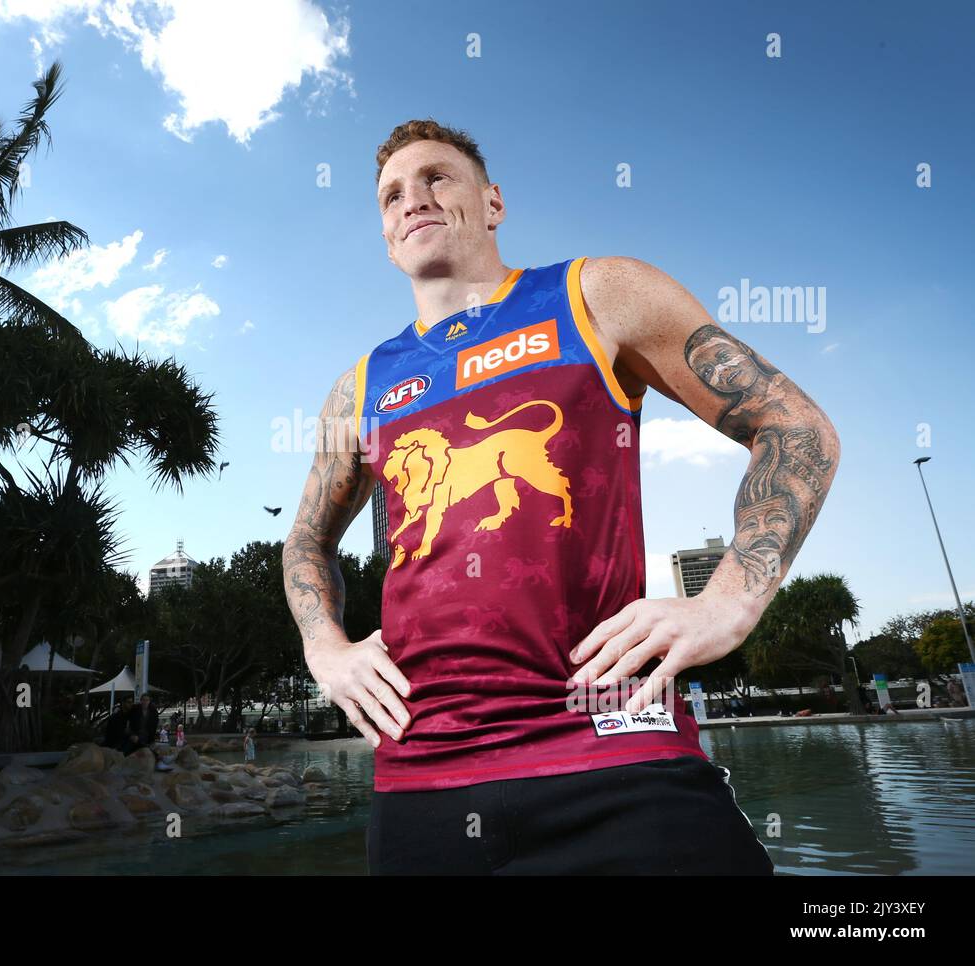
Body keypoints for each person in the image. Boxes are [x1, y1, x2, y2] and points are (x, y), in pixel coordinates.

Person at [282, 119, 840, 875]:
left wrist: (728, 603)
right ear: (386, 238)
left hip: (618, 751)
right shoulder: (359, 387)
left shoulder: (596, 295)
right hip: (425, 774)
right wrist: (325, 648)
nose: (413, 199)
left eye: (437, 177)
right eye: (392, 195)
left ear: (493, 202)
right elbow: (308, 539)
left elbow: (795, 427)